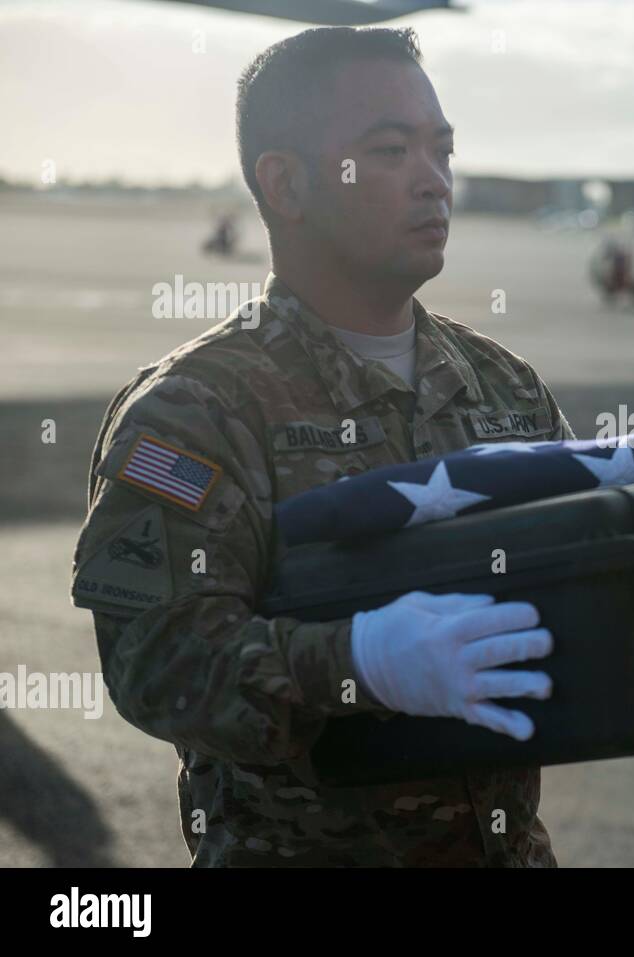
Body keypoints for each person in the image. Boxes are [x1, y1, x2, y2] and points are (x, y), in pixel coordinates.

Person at [69, 26, 573, 867]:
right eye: (389, 150)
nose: (433, 178)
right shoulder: (194, 412)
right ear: (287, 184)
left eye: (441, 148)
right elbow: (155, 661)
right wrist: (356, 662)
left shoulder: (505, 387)